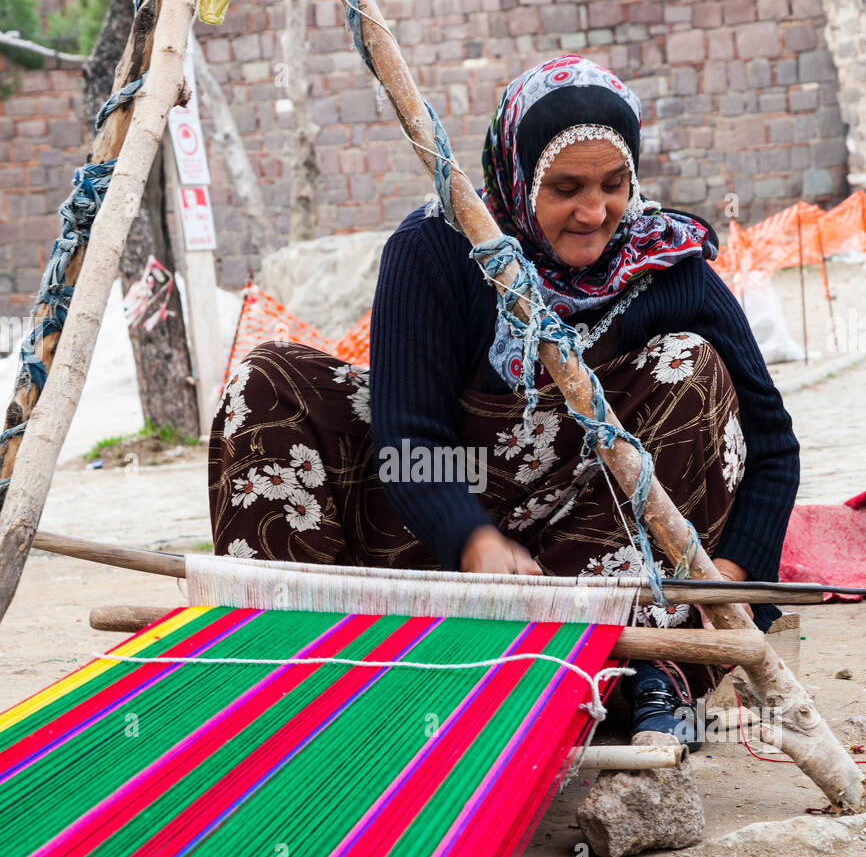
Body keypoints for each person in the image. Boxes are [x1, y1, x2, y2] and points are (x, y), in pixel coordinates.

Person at [208, 54, 800, 747]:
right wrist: (474, 540)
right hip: (433, 533)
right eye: (566, 188)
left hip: (593, 554)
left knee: (689, 364)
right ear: (517, 181)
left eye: (615, 185)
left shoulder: (668, 268)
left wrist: (725, 582)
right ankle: (310, 657)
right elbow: (410, 444)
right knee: (267, 379)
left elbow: (773, 447)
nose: (595, 211)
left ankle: (632, 666)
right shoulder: (435, 251)